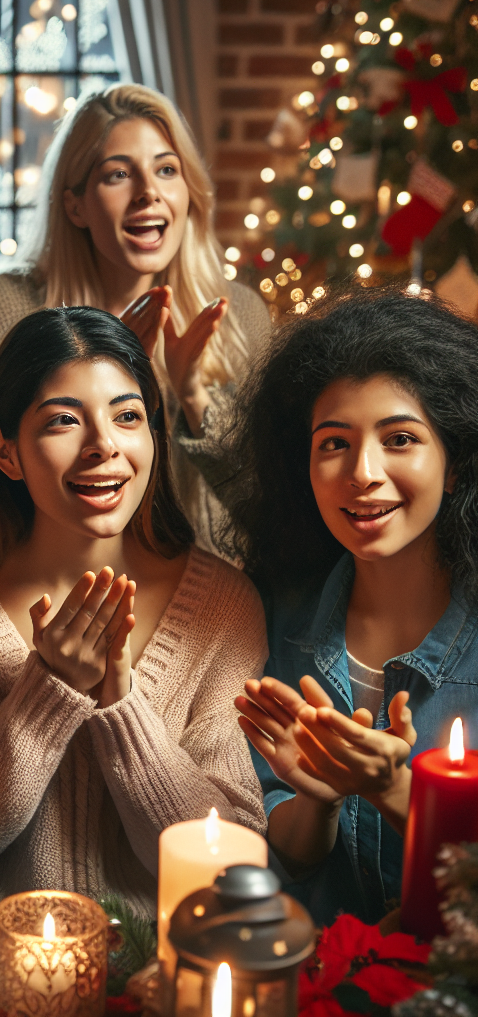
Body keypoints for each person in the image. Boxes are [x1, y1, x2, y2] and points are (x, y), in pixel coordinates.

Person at [0, 306, 267, 942]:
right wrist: (48, 691)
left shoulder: (222, 605)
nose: (103, 445)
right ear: (6, 453)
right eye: (64, 420)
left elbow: (228, 863)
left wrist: (120, 704)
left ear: (154, 435)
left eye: (127, 416)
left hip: (153, 950)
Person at [224, 290, 478, 927]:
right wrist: (320, 797)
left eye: (400, 439)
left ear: (454, 464)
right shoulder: (270, 617)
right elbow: (288, 858)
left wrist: (393, 789)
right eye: (334, 443)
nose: (363, 472)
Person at [0, 84, 272, 552]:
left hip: (210, 571)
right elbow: (5, 487)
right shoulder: (11, 305)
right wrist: (109, 371)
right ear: (75, 205)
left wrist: (193, 393)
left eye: (166, 169)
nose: (148, 193)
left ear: (188, 192)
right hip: (62, 569)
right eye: (118, 175)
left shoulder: (240, 313)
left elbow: (262, 502)